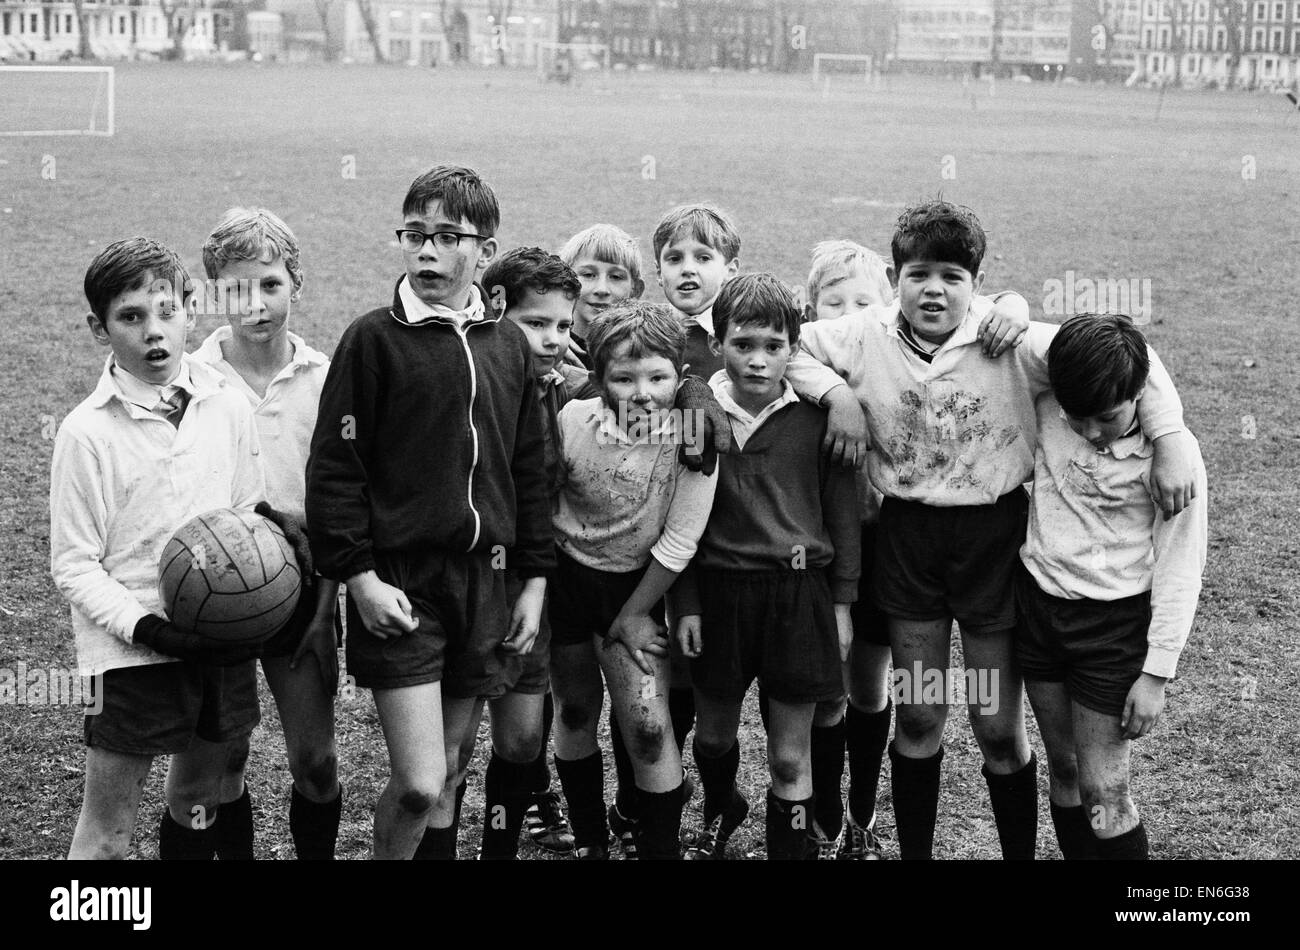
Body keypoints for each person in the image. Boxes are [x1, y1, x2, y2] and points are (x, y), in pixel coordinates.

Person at [786, 200, 1199, 859]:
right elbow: (792, 348)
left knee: (996, 726)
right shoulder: (862, 333)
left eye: (953, 276)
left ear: (977, 281)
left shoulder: (1010, 339)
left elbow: (1131, 356)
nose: (934, 290)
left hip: (993, 546)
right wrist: (837, 397)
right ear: (894, 276)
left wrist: (1172, 436)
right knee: (919, 713)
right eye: (919, 274)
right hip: (909, 545)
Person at [305, 164, 553, 859]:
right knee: (419, 782)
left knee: (451, 769)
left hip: (488, 584)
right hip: (402, 586)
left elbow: (531, 470)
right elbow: (334, 469)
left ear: (487, 251)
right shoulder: (372, 340)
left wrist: (532, 582)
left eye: (448, 236)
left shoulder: (509, 345)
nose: (427, 252)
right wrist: (360, 578)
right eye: (414, 235)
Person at [52, 237, 270, 859]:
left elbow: (245, 513)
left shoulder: (226, 406)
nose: (155, 332)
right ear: (100, 328)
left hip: (220, 637)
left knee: (199, 798)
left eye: (167, 311)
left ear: (191, 310)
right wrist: (149, 628)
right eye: (131, 317)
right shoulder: (86, 432)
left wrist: (280, 548)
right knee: (107, 834)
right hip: (130, 657)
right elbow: (73, 564)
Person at [671, 274, 859, 860]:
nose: (758, 361)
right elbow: (676, 524)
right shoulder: (696, 416)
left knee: (787, 755)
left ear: (794, 348)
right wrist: (688, 604)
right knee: (714, 736)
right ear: (718, 342)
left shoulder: (817, 416)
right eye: (743, 345)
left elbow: (842, 516)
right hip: (720, 596)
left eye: (774, 347)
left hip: (798, 597)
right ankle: (723, 805)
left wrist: (842, 605)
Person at [1018, 313, 1207, 860]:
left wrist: (1156, 673)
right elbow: (1001, 324)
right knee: (1068, 771)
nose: (1091, 432)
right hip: (1038, 610)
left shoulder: (1173, 458)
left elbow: (1180, 568)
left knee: (1107, 789)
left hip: (1112, 631)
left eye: (1107, 417)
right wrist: (1006, 303)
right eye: (1077, 419)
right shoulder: (1055, 395)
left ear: (1140, 392)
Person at [191, 207, 343, 860]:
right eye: (238, 290)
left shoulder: (325, 377)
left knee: (316, 761)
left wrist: (327, 599)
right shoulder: (189, 381)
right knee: (224, 760)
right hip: (212, 591)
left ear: (297, 284)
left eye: (272, 285)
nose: (256, 304)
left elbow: (345, 502)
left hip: (301, 591)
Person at [549, 301, 717, 859]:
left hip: (636, 589)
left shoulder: (693, 438)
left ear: (679, 377)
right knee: (574, 709)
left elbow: (680, 540)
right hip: (567, 582)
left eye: (658, 377)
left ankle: (658, 846)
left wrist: (634, 613)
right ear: (599, 381)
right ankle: (591, 841)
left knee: (646, 725)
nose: (642, 392)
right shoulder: (574, 421)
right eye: (624, 378)